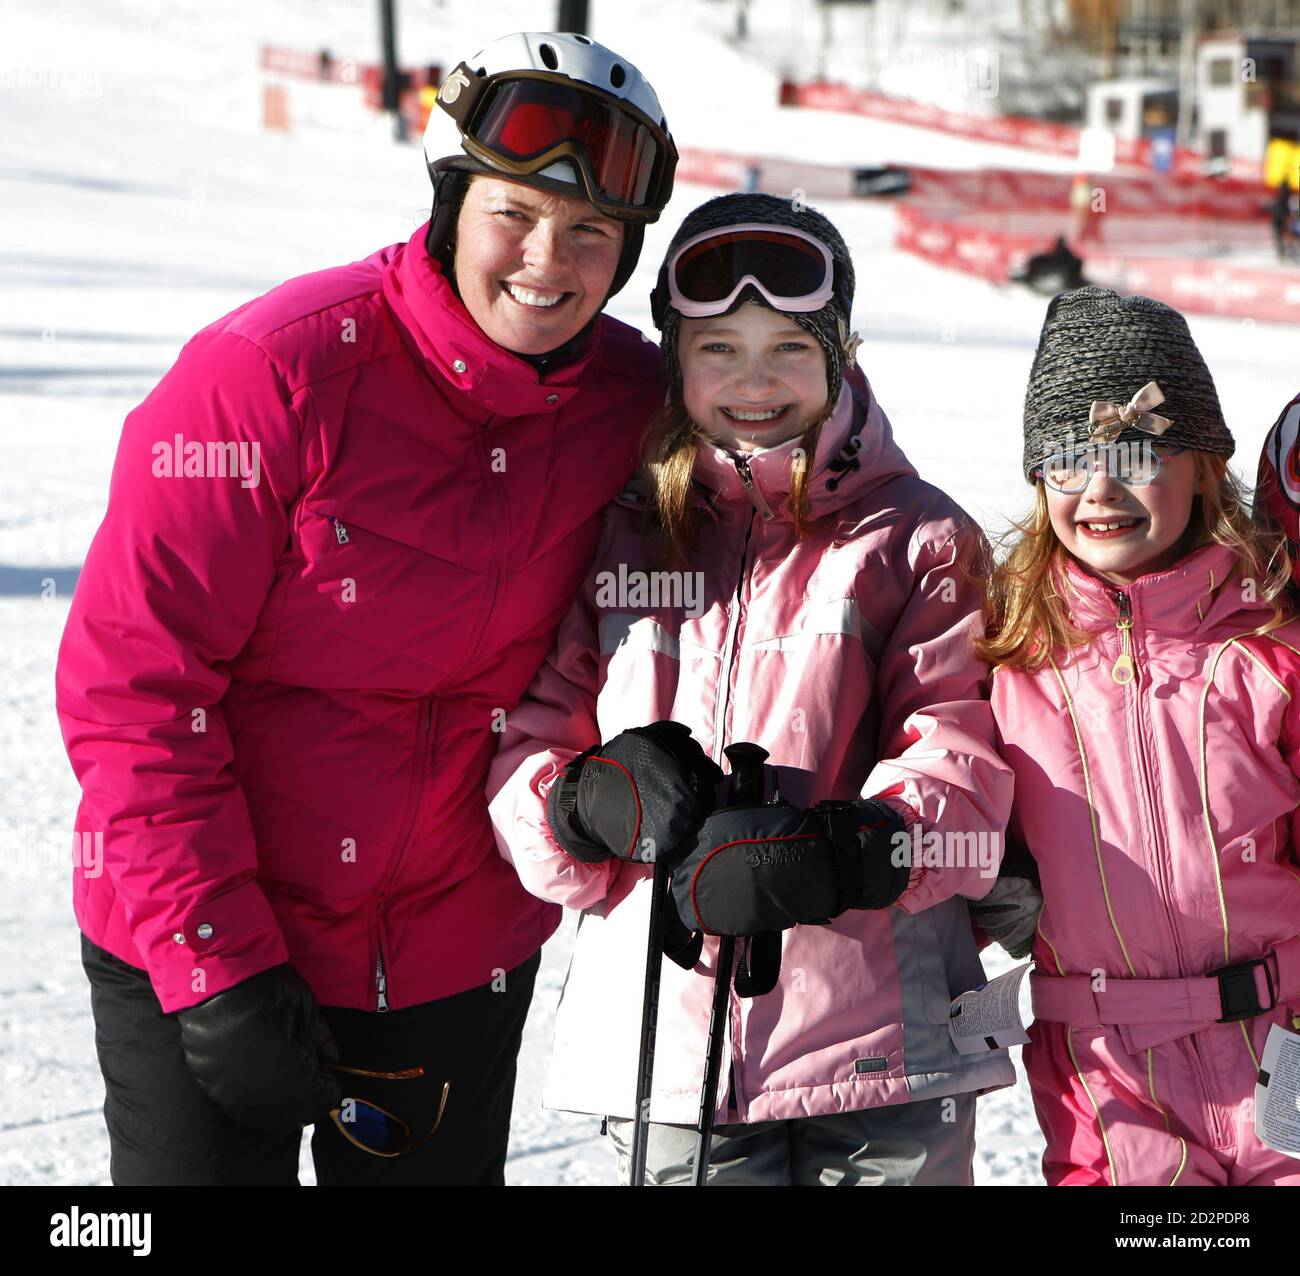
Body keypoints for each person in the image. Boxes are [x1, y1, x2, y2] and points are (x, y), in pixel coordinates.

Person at [56, 30, 677, 1186]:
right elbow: (132, 687)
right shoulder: (273, 375)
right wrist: (218, 967)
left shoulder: (632, 403)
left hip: (448, 958)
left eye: (591, 231)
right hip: (199, 942)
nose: (549, 259)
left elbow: (800, 499)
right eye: (514, 213)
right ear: (449, 202)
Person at [488, 192, 1016, 1186]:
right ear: (674, 361)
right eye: (718, 348)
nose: (753, 380)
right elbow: (526, 748)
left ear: (838, 353)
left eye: (786, 348)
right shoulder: (623, 536)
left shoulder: (916, 539)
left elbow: (966, 765)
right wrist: (580, 802)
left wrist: (852, 854)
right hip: (668, 1053)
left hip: (884, 1063)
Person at [980, 287, 1300, 1186]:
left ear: (1203, 465)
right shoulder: (1007, 657)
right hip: (1111, 1079)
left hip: (1286, 1047)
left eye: (1133, 452)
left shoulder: (1270, 646)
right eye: (1067, 460)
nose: (1099, 489)